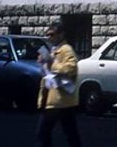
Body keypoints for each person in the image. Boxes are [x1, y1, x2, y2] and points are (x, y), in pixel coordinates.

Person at [36, 18, 83, 147]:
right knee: (70, 134)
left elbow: (72, 67)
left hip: (59, 100)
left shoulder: (66, 49)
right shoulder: (54, 50)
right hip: (60, 100)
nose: (49, 37)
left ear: (61, 34)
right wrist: (43, 63)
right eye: (47, 34)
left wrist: (52, 64)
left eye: (52, 34)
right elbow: (48, 73)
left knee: (43, 133)